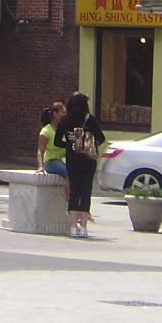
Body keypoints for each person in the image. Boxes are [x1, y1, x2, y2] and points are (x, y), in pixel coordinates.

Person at [54, 90, 104, 238]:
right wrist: (87, 145)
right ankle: (83, 227)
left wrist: (71, 145)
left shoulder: (65, 120)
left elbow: (57, 141)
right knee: (86, 192)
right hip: (88, 160)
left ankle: (73, 227)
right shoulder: (90, 119)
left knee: (74, 192)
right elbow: (101, 138)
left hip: (72, 160)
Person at [37, 102, 68, 176]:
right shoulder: (46, 131)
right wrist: (40, 166)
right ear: (55, 114)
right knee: (69, 174)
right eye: (63, 112)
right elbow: (40, 150)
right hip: (50, 162)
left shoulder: (64, 129)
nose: (65, 115)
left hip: (62, 161)